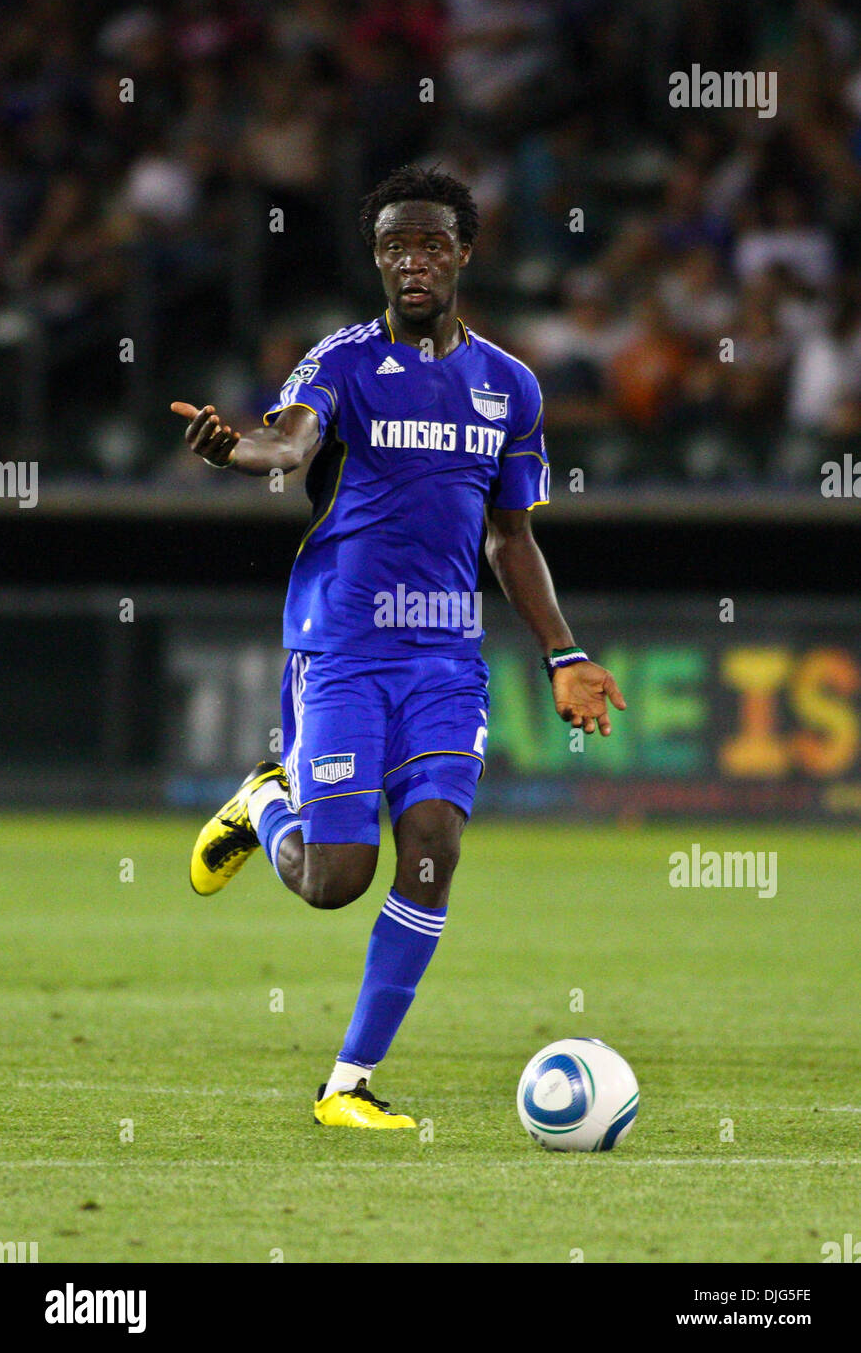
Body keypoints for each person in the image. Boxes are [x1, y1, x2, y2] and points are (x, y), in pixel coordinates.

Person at [171, 164, 625, 1128]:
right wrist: (232, 452)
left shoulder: (512, 387)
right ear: (377, 260)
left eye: (429, 244)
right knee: (337, 881)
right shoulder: (338, 362)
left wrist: (562, 653)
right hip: (341, 646)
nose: (411, 261)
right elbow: (286, 446)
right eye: (393, 247)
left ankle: (348, 1084)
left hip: (447, 660)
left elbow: (512, 538)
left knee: (434, 849)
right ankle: (266, 802)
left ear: (464, 252)